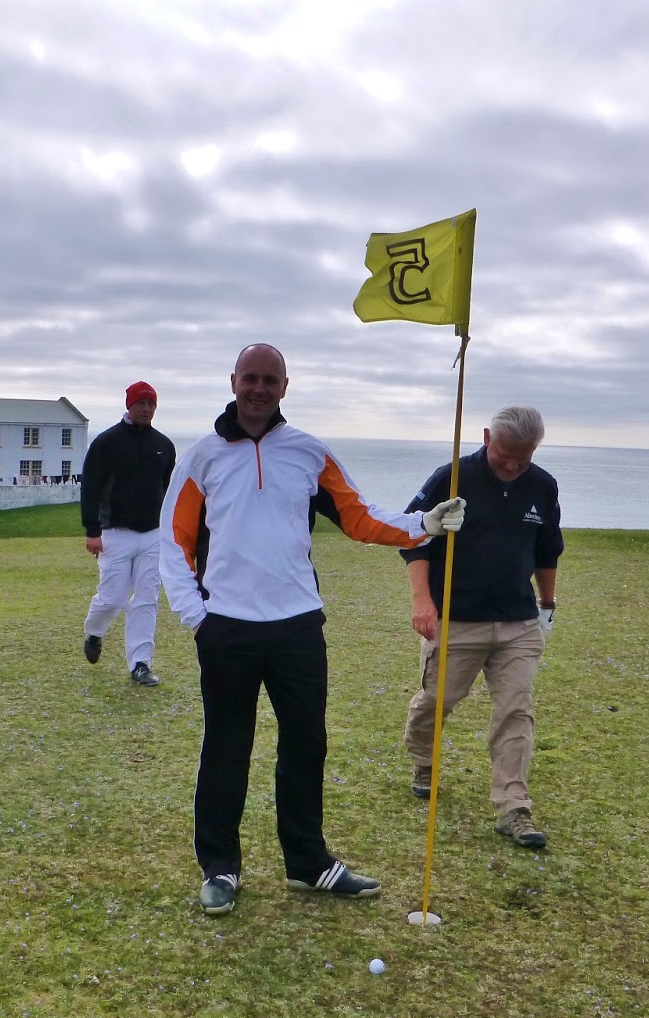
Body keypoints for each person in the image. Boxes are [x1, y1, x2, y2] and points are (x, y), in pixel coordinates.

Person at [160, 343, 466, 916]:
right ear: (233, 381)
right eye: (249, 378)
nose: (258, 388)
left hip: (297, 627)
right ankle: (220, 867)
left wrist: (423, 524)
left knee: (307, 745)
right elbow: (173, 542)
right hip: (226, 628)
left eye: (269, 380)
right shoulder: (200, 457)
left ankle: (307, 863)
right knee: (227, 748)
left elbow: (359, 516)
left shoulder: (307, 452)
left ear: (284, 386)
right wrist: (196, 618)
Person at [400, 405, 563, 850]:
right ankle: (423, 761)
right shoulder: (450, 478)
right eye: (504, 455)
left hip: (518, 623)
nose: (512, 466)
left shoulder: (543, 486)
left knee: (516, 709)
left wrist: (547, 605)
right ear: (488, 437)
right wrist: (423, 602)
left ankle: (513, 808)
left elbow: (548, 549)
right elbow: (414, 539)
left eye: (523, 458)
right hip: (456, 619)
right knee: (438, 700)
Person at [80, 380, 178, 686]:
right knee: (112, 597)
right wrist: (92, 530)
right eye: (141, 404)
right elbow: (91, 487)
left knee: (147, 598)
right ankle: (94, 632)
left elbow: (170, 490)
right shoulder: (107, 442)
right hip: (115, 533)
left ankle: (140, 664)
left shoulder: (164, 445)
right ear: (129, 405)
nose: (146, 409)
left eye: (151, 404)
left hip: (153, 535)